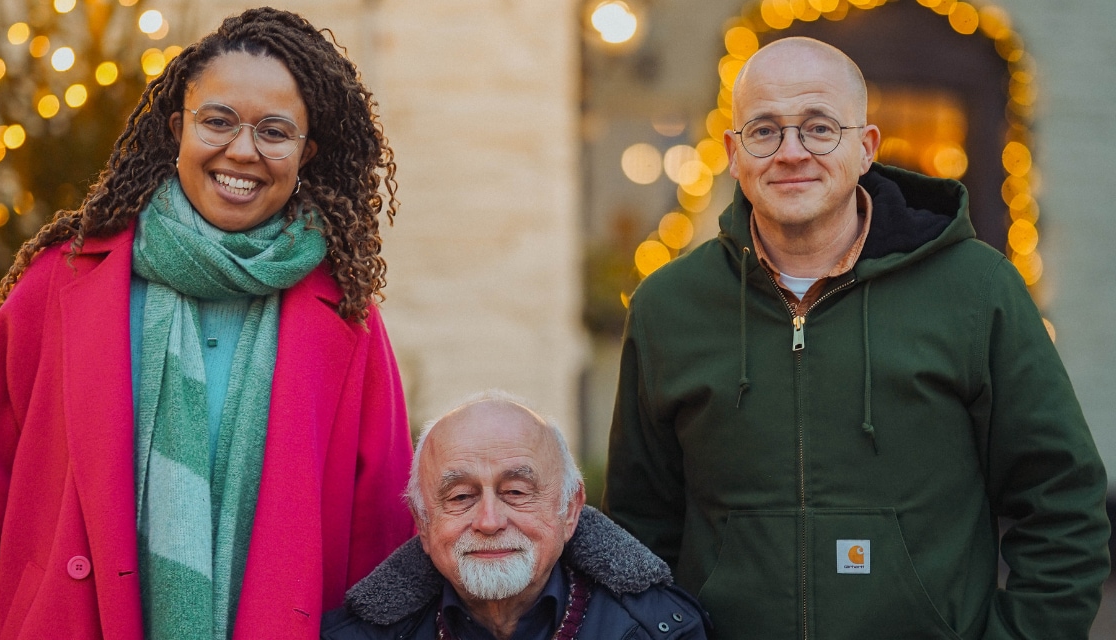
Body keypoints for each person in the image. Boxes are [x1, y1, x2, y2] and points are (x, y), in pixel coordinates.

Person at [0, 8, 413, 639]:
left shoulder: (349, 319)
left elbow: (386, 551)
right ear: (178, 128)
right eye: (218, 121)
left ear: (306, 153)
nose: (242, 150)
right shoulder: (57, 286)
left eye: (275, 131)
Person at [604, 36, 1109, 639]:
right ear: (733, 153)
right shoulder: (668, 307)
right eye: (765, 131)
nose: (791, 152)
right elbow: (637, 535)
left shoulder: (977, 289)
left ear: (866, 147)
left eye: (819, 128)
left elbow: (1063, 503)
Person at [322, 392, 709, 640]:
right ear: (423, 523)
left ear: (570, 510)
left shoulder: (662, 631)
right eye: (460, 496)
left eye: (516, 492)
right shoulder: (356, 636)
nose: (489, 521)